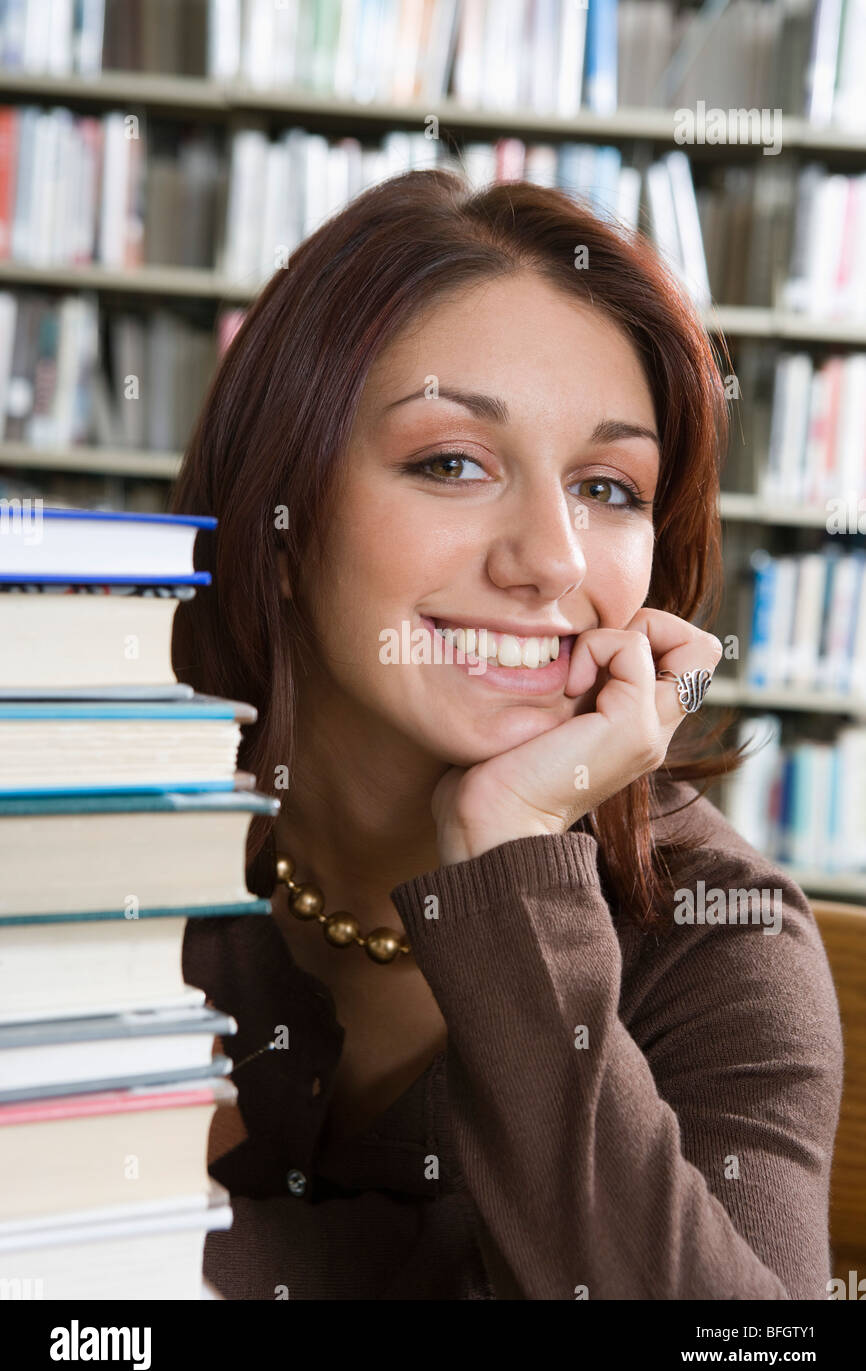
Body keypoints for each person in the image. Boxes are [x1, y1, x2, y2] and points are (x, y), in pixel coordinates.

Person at [171, 169, 843, 1300]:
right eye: (450, 463)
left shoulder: (715, 938)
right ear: (281, 523)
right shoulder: (91, 832)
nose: (550, 560)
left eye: (607, 485)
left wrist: (511, 852)